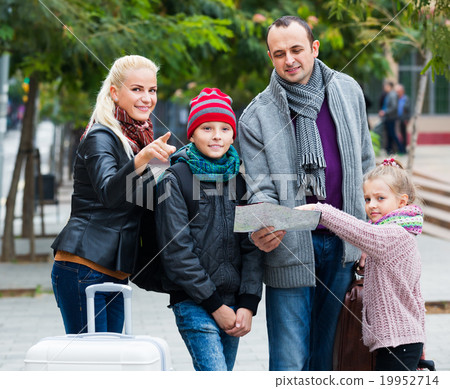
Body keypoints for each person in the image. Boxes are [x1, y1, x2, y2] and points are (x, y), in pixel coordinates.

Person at [238, 15, 375, 371]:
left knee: (330, 357)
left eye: (297, 49)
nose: (289, 59)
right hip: (290, 249)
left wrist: (369, 239)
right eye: (279, 53)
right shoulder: (256, 116)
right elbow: (259, 188)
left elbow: (366, 167)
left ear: (314, 48)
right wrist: (262, 225)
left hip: (345, 244)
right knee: (289, 361)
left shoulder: (348, 91)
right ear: (271, 57)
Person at [51, 55, 176, 334]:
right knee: (94, 364)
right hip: (83, 268)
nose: (147, 98)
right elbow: (109, 192)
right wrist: (142, 159)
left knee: (112, 362)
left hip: (116, 273)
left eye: (152, 90)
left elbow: (150, 200)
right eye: (137, 89)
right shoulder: (101, 136)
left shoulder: (138, 140)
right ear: (114, 92)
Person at [155, 88, 263, 371]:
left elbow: (251, 247)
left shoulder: (239, 182)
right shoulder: (175, 180)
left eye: (225, 128)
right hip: (195, 302)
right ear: (191, 134)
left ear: (232, 134)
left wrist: (248, 304)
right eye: (207, 128)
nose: (217, 135)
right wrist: (215, 306)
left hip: (234, 304)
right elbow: (176, 251)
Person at [297, 158, 426, 371]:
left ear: (402, 202)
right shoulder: (395, 234)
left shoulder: (394, 235)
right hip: (400, 340)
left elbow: (358, 231)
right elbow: (416, 297)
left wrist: (321, 211)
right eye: (367, 199)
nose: (371, 205)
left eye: (380, 198)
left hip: (398, 343)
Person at [379, 80, 405, 154]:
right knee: (389, 135)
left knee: (393, 134)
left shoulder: (392, 95)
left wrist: (385, 112)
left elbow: (394, 107)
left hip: (391, 118)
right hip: (388, 118)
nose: (385, 87)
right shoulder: (389, 94)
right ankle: (389, 150)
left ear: (390, 87)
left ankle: (401, 149)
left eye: (386, 86)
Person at [395, 84, 411, 151]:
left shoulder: (405, 99)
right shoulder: (396, 98)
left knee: (403, 134)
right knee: (397, 133)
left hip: (403, 119)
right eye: (397, 91)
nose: (397, 93)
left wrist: (407, 119)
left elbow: (408, 110)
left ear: (402, 91)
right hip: (396, 118)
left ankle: (404, 148)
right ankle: (398, 148)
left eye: (399, 91)